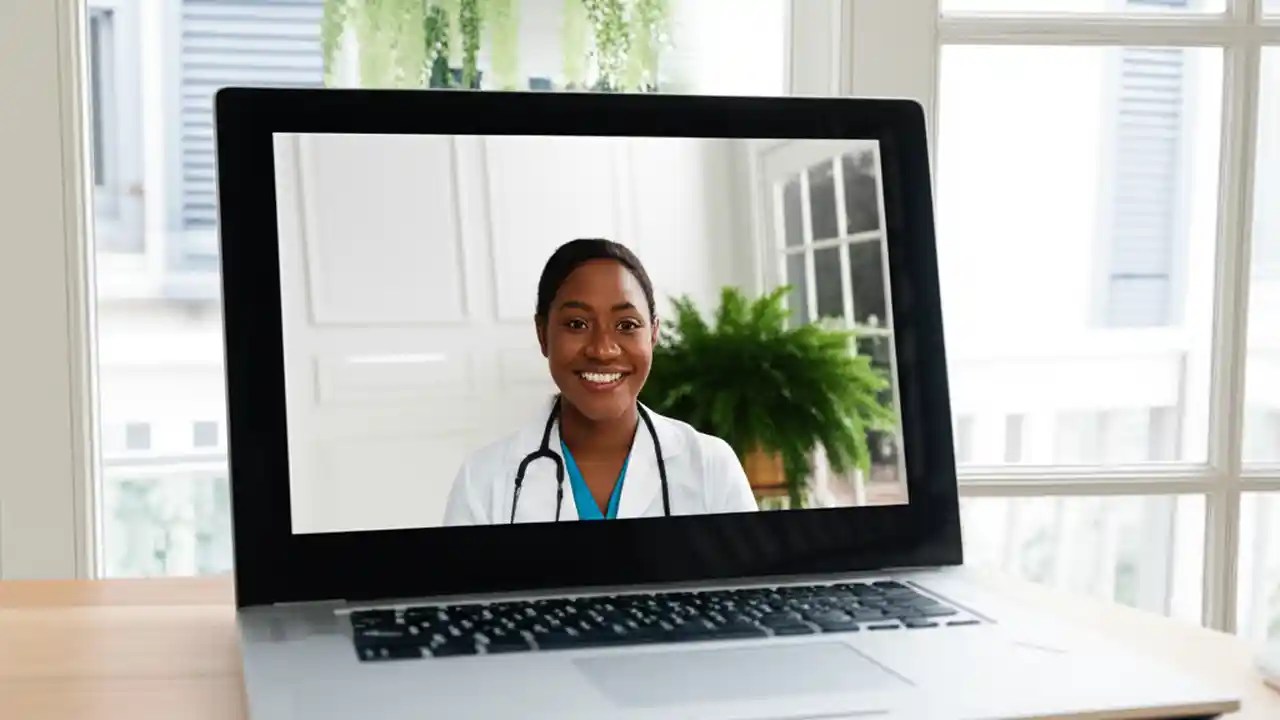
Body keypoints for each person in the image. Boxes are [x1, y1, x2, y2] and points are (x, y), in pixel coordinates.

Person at [443, 239, 758, 524]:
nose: (603, 349)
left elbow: (749, 585)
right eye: (577, 324)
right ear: (542, 334)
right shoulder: (483, 480)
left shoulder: (711, 467)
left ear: (653, 334)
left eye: (627, 324)